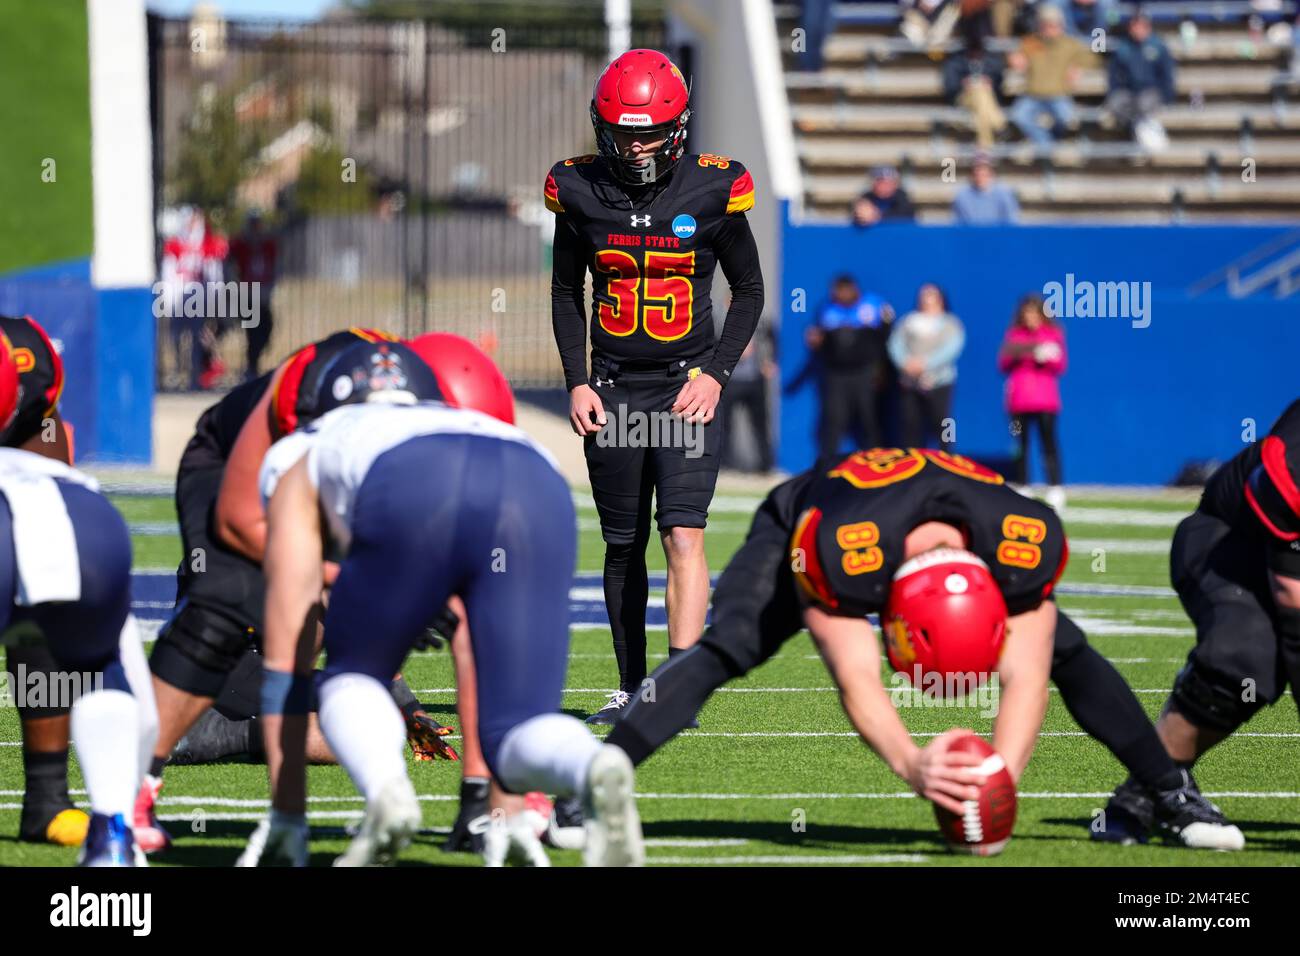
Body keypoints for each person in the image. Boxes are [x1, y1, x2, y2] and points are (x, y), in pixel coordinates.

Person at [603, 446, 1241, 849]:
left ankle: (1170, 790)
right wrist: (912, 764)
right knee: (733, 643)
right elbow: (858, 678)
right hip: (804, 516)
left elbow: (1028, 673)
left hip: (938, 513)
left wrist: (1001, 781)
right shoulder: (842, 551)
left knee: (1069, 650)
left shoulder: (1022, 540)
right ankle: (593, 780)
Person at [251, 340, 643, 866]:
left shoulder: (302, 450)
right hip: (534, 476)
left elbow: (288, 643)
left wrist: (287, 817)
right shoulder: (471, 423)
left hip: (410, 481)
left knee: (351, 676)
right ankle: (589, 765)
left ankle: (386, 790)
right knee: (516, 728)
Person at [131, 328, 461, 856]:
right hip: (228, 470)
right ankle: (177, 747)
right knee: (230, 594)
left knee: (356, 723)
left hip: (291, 590)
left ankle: (230, 718)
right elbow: (241, 521)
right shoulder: (302, 401)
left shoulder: (401, 428)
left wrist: (403, 701)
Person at [548, 49, 763, 725]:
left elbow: (750, 290)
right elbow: (564, 291)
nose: (633, 144)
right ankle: (630, 685)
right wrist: (577, 382)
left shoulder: (712, 188)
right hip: (611, 388)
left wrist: (717, 375)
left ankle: (678, 689)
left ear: (676, 127)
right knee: (621, 542)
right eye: (621, 130)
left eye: (646, 131)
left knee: (683, 535)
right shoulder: (577, 189)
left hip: (684, 386)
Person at [1098, 399, 1300, 849]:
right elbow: (1296, 617)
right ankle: (1147, 793)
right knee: (1245, 657)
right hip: (1230, 548)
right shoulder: (1293, 466)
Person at [0, 333, 159, 866]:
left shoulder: (25, 341)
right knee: (98, 662)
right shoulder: (27, 349)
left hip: (44, 503)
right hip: (81, 512)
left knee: (47, 630)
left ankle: (49, 800)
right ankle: (114, 828)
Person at [807, 274, 894, 458]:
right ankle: (827, 463)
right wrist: (817, 341)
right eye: (836, 291)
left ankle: (876, 460)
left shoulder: (875, 306)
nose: (839, 295)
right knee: (833, 419)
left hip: (866, 373)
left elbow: (887, 339)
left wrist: (881, 371)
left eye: (843, 290)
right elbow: (821, 341)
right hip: (837, 375)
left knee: (869, 418)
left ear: (853, 289)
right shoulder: (827, 309)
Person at [998, 294, 1067, 510]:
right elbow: (1004, 361)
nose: (1030, 317)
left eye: (1035, 313)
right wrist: (1030, 352)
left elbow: (1059, 363)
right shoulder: (1014, 336)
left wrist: (1040, 355)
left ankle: (1055, 486)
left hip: (1045, 402)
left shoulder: (1053, 334)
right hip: (1017, 403)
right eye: (1027, 312)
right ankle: (1022, 484)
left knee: (1048, 444)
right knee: (1019, 445)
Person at [1007, 4, 1098, 148]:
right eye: (1045, 25)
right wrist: (1013, 60)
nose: (1049, 28)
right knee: (1019, 116)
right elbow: (1015, 58)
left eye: (1053, 25)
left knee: (1067, 118)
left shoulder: (1070, 44)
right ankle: (1047, 146)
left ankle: (1048, 146)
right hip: (1032, 95)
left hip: (1059, 95)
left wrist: (1078, 68)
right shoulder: (1030, 42)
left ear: (1061, 25)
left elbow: (1093, 59)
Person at [888, 284, 965, 450]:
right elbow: (895, 344)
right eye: (924, 294)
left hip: (941, 382)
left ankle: (948, 456)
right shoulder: (909, 322)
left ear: (940, 298)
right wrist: (906, 364)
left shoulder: (950, 323)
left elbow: (951, 348)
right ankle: (912, 462)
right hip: (910, 383)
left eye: (932, 294)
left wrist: (926, 364)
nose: (927, 298)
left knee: (944, 421)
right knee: (910, 423)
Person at [1105, 12, 1176, 151]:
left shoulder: (1158, 47)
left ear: (1148, 27)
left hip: (1151, 91)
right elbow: (1113, 75)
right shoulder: (1122, 48)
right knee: (1115, 103)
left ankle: (1143, 135)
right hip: (1128, 92)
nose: (1137, 30)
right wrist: (1114, 92)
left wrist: (1167, 97)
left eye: (1141, 26)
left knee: (1143, 104)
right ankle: (1142, 132)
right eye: (1134, 26)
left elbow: (1167, 75)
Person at [228, 209, 279, 380]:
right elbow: (229, 262)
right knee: (253, 332)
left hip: (263, 294)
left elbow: (275, 266)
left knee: (266, 329)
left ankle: (253, 363)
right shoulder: (241, 244)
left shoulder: (268, 244)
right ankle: (251, 367)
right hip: (248, 294)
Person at [720, 332, 776, 473]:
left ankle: (765, 466)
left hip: (755, 378)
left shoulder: (758, 316)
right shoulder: (717, 315)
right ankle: (725, 465)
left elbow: (770, 337)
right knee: (724, 424)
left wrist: (769, 360)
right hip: (729, 379)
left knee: (760, 425)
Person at [943, 34, 1008, 148]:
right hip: (963, 99)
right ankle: (999, 125)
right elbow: (950, 88)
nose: (976, 53)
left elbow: (1000, 87)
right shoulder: (955, 62)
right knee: (979, 92)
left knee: (981, 95)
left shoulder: (992, 62)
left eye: (978, 50)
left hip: (986, 101)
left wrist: (990, 83)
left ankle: (985, 146)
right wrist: (964, 85)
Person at [952, 153, 1020, 223]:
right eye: (977, 170)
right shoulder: (962, 196)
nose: (980, 174)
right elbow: (958, 225)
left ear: (991, 173)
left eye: (984, 170)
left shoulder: (1004, 194)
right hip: (971, 233)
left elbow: (1011, 222)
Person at [851, 166, 916, 226]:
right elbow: (856, 216)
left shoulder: (902, 199)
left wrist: (876, 216)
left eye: (888, 182)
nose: (884, 186)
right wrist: (860, 215)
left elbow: (905, 216)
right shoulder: (866, 198)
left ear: (895, 184)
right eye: (880, 182)